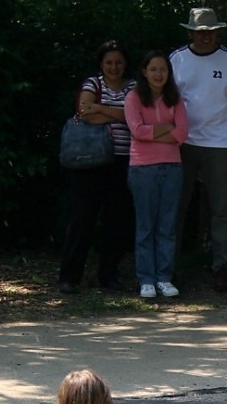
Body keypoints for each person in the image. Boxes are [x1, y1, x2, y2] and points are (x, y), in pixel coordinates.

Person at [171, 8, 227, 292]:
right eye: (200, 31)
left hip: (219, 144)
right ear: (191, 32)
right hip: (181, 143)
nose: (205, 36)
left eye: (210, 31)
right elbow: (163, 98)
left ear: (217, 32)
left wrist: (223, 121)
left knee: (222, 208)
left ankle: (225, 267)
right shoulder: (177, 59)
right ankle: (168, 268)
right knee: (176, 206)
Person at [58, 41, 136, 295]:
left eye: (119, 62)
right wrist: (119, 112)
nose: (114, 67)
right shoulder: (92, 83)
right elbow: (84, 112)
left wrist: (100, 109)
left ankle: (109, 275)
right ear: (101, 64)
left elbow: (134, 117)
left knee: (117, 220)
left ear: (125, 64)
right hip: (89, 161)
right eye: (109, 62)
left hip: (124, 160)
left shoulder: (135, 87)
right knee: (83, 219)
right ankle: (70, 277)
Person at [124, 50, 188, 299]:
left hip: (172, 166)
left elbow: (182, 132)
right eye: (153, 69)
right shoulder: (133, 97)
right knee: (146, 226)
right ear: (144, 72)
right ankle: (146, 279)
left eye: (163, 69)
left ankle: (164, 277)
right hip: (142, 168)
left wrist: (156, 131)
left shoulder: (175, 98)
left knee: (167, 226)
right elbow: (137, 131)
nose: (158, 74)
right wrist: (166, 129)